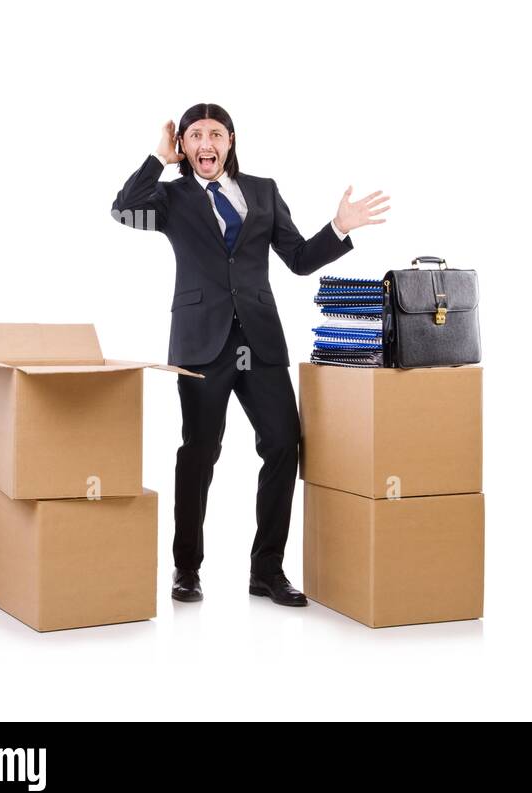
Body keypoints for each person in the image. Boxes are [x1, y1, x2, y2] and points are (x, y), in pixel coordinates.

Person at [111, 102, 390, 606]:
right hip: (201, 343)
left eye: (214, 134)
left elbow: (300, 259)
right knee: (200, 452)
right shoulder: (169, 198)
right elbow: (122, 208)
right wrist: (156, 158)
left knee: (284, 443)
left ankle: (267, 570)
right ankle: (187, 568)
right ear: (184, 147)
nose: (205, 144)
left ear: (231, 140)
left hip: (258, 341)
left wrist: (340, 227)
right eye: (194, 136)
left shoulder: (262, 191)